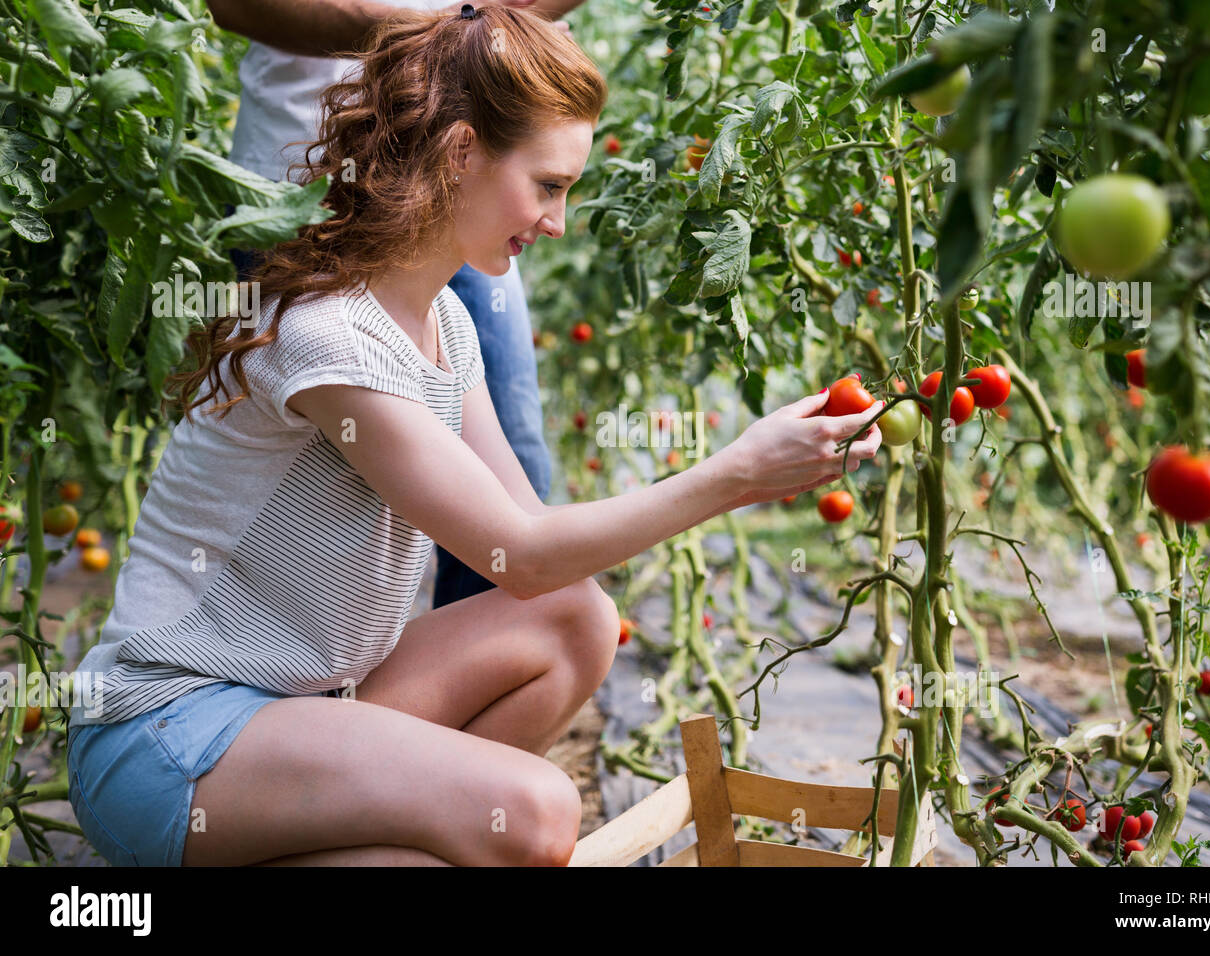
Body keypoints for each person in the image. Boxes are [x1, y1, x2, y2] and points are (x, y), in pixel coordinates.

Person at [64, 6, 883, 867]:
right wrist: (735, 476)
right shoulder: (329, 337)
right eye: (550, 185)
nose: (557, 221)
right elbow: (516, 555)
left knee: (575, 623)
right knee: (531, 812)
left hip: (303, 707)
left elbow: (537, 557)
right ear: (461, 153)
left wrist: (754, 470)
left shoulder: (446, 324)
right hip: (165, 740)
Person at [209, 0, 582, 609]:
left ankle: (427, 690)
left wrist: (487, 43)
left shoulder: (474, 269)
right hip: (297, 184)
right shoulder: (315, 326)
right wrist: (455, 39)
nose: (559, 223)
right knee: (328, 501)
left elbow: (524, 542)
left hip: (478, 171)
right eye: (554, 189)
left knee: (510, 473)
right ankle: (293, 681)